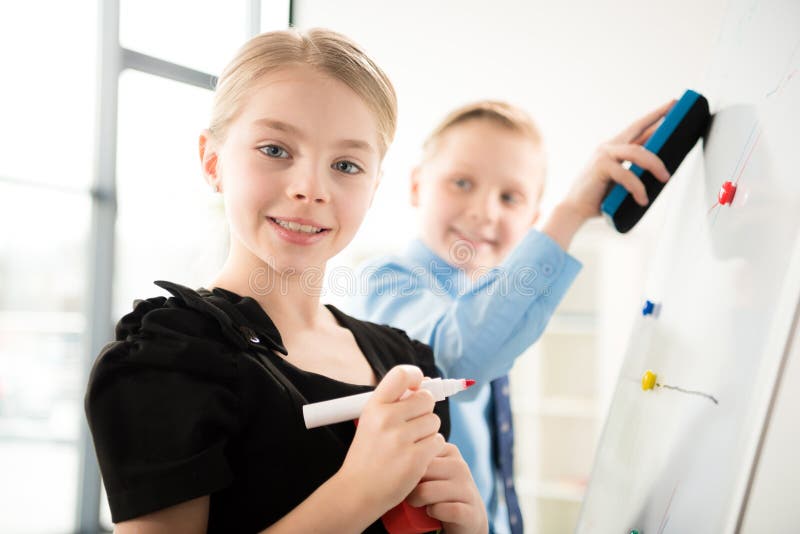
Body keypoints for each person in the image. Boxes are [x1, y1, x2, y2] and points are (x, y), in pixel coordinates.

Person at [84, 28, 488, 534]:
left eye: (346, 165)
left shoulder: (407, 363)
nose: (310, 189)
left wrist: (469, 526)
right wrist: (358, 493)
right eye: (275, 150)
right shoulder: (167, 361)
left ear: (373, 187)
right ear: (212, 161)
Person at [346, 100, 672, 533]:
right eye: (461, 182)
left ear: (530, 218)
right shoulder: (383, 282)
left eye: (509, 197)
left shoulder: (489, 303)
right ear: (417, 186)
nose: (485, 212)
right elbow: (452, 361)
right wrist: (571, 212)